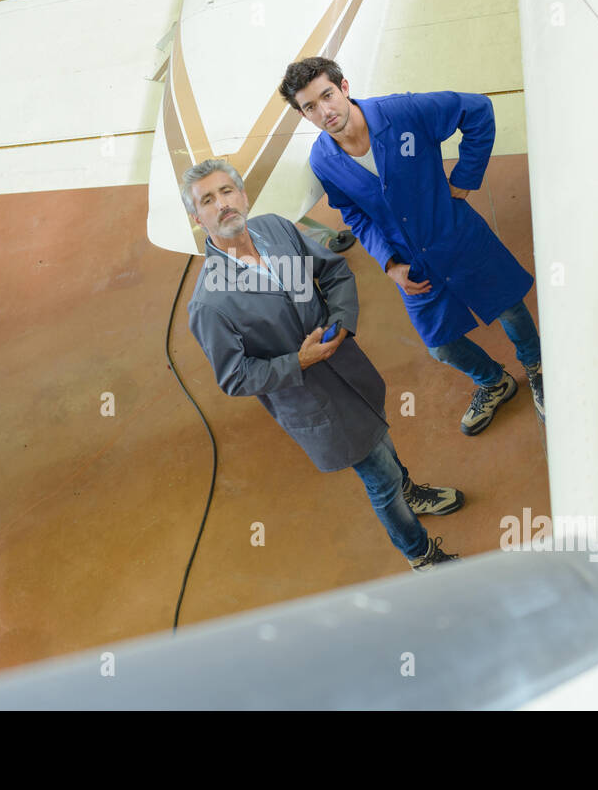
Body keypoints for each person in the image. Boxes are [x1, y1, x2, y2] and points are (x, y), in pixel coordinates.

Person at [182, 157, 460, 572]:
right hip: (314, 404)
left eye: (226, 191)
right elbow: (236, 377)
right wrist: (299, 360)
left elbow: (332, 272)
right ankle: (419, 553)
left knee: (380, 438)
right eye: (207, 200)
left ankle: (411, 492)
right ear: (197, 217)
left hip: (350, 370)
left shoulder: (276, 229)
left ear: (243, 195)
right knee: (379, 478)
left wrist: (342, 324)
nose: (222, 204)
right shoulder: (210, 303)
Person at [279, 56, 544, 436]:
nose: (324, 111)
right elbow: (355, 216)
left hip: (457, 235)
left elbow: (479, 110)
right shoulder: (324, 160)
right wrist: (389, 264)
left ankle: (536, 367)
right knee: (441, 344)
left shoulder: (402, 112)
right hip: (409, 259)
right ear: (303, 115)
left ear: (345, 88)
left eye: (327, 96)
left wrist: (466, 178)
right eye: (310, 107)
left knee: (509, 309)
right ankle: (494, 381)